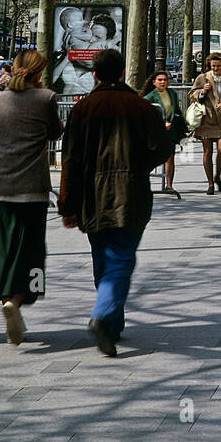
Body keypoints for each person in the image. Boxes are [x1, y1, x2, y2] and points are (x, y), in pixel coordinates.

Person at [58, 48, 172, 356]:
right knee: (121, 258)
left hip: (91, 196)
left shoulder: (83, 109)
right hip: (131, 192)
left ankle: (111, 318)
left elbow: (69, 159)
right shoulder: (139, 106)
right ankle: (104, 316)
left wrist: (66, 205)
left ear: (94, 74)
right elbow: (162, 148)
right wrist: (138, 165)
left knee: (103, 256)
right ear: (123, 73)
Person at [0, 50, 64, 346]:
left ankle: (4, 297)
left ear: (13, 69)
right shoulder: (46, 99)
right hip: (30, 189)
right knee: (31, 251)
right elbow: (55, 133)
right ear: (39, 74)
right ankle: (19, 298)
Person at [189, 53, 221, 193]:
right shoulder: (203, 78)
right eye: (213, 66)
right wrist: (202, 92)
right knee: (207, 151)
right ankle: (210, 183)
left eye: (218, 65)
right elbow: (191, 94)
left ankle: (218, 175)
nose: (215, 68)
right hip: (207, 118)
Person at [142, 67, 186, 192]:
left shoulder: (172, 93)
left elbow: (176, 110)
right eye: (160, 80)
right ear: (154, 82)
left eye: (165, 80)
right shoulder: (149, 97)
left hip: (170, 132)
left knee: (170, 157)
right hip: (156, 132)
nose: (163, 82)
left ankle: (169, 185)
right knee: (152, 158)